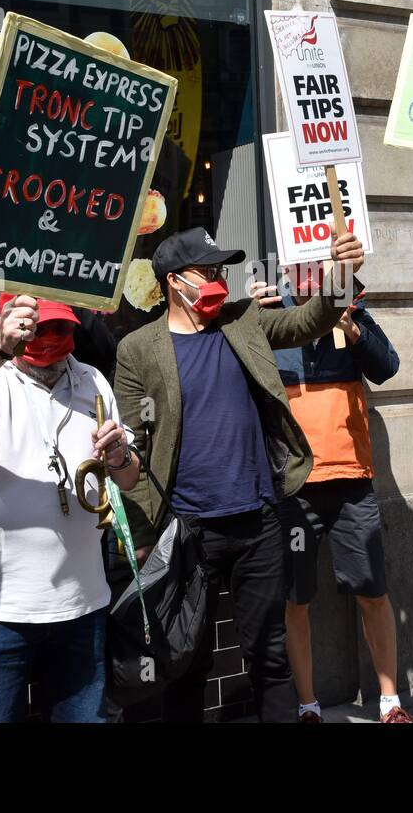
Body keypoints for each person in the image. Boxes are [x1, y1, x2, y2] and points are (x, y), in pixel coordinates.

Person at [114, 227, 364, 723]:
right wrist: (145, 537)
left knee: (271, 658)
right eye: (204, 272)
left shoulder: (243, 320)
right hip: (189, 531)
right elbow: (135, 450)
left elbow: (308, 321)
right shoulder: (138, 349)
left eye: (218, 271)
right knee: (187, 663)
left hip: (259, 523)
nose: (216, 281)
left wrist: (340, 275)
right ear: (172, 282)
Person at [0, 294, 138, 723]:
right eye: (38, 329)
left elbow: (129, 477)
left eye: (61, 328)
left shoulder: (92, 380)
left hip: (82, 604)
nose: (50, 340)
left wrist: (118, 456)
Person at [248, 262, 412, 723]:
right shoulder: (269, 314)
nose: (308, 275)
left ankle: (389, 700)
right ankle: (307, 705)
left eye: (319, 268)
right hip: (290, 484)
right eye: (299, 268)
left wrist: (355, 330)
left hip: (350, 479)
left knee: (372, 591)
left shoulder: (352, 308)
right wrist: (245, 317)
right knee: (295, 599)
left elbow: (388, 368)